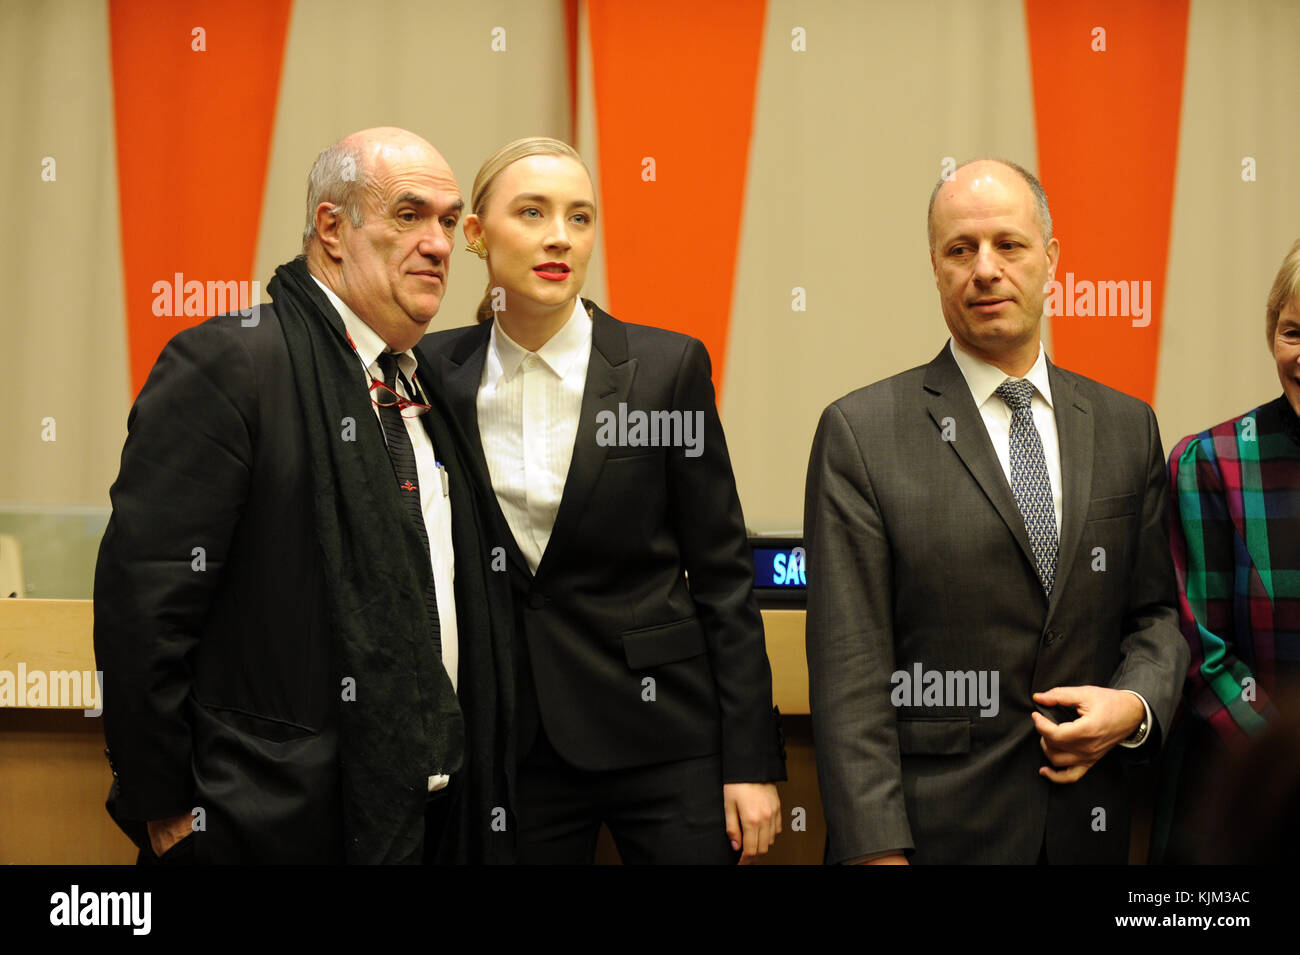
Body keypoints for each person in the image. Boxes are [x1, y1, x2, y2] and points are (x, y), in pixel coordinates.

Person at [93, 127, 515, 865]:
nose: (440, 244)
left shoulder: (423, 389)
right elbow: (143, 610)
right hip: (260, 826)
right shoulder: (232, 362)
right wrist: (166, 809)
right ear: (331, 227)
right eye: (409, 214)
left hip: (432, 820)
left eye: (450, 222)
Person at [804, 158, 1189, 864]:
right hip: (930, 837)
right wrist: (875, 851)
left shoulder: (1126, 425)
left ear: (1050, 260)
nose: (985, 269)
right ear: (935, 268)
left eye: (1008, 245)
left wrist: (1133, 707)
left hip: (1085, 825)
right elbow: (847, 671)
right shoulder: (861, 433)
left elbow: (1156, 616)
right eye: (960, 249)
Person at [418, 137, 786, 864]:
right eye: (533, 212)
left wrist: (752, 759)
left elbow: (723, 576)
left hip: (667, 736)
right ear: (475, 234)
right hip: (516, 747)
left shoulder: (664, 369)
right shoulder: (434, 373)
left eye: (580, 218)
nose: (560, 236)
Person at [1155, 238, 1300, 863]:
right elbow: (1204, 655)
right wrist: (1285, 770)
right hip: (1248, 803)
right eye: (1294, 332)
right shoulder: (1211, 461)